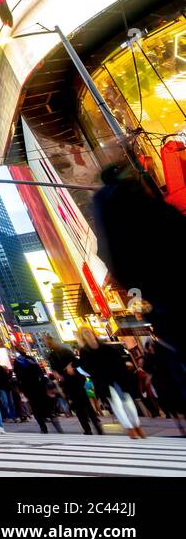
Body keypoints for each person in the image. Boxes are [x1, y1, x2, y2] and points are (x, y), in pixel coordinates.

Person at [92, 162, 186, 353]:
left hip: (164, 304)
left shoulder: (105, 215)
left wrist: (140, 295)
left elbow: (115, 264)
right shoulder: (139, 204)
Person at [77, 327, 144, 438]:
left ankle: (137, 425)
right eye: (84, 333)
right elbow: (86, 368)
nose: (88, 334)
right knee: (117, 404)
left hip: (118, 378)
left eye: (88, 332)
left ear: (92, 332)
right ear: (82, 337)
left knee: (128, 403)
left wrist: (126, 364)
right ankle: (129, 428)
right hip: (104, 382)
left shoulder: (105, 346)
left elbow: (118, 359)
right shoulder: (84, 352)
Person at [13, 346, 63, 433]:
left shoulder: (17, 362)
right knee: (46, 405)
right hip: (38, 385)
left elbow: (18, 376)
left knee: (35, 407)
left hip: (29, 387)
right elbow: (39, 371)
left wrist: (21, 388)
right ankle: (53, 423)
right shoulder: (30, 359)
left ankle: (43, 427)